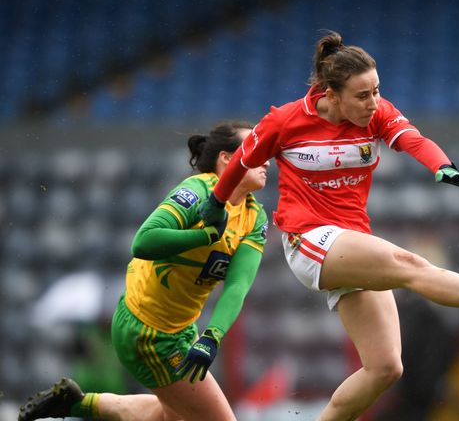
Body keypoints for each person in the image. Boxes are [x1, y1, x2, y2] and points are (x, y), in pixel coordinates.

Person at [197, 30, 459, 420]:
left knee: (385, 368)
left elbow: (414, 140)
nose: (374, 102)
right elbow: (242, 160)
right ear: (331, 95)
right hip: (308, 239)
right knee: (409, 265)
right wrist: (215, 204)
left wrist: (441, 165)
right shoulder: (285, 120)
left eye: (377, 91)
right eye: (363, 95)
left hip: (350, 241)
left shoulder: (376, 113)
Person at [19, 121, 271, 421]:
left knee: (170, 416)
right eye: (254, 149)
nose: (266, 159)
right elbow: (143, 241)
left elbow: (237, 286)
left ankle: (74, 403)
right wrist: (204, 236)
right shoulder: (197, 192)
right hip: (148, 329)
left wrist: (212, 336)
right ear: (227, 158)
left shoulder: (254, 216)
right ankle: (77, 406)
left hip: (179, 329)